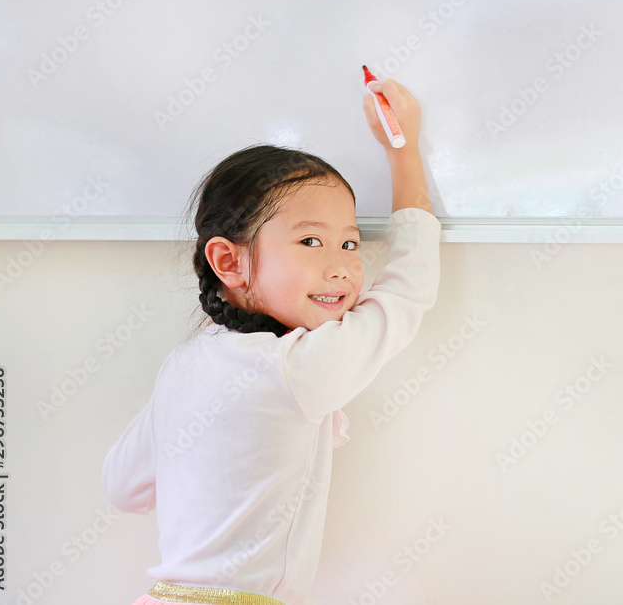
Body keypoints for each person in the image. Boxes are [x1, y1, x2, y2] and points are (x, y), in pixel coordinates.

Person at [102, 79, 441, 605]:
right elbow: (408, 291)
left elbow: (123, 488)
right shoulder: (298, 368)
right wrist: (403, 153)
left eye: (350, 242)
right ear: (229, 261)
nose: (343, 267)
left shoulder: (185, 364)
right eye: (310, 241)